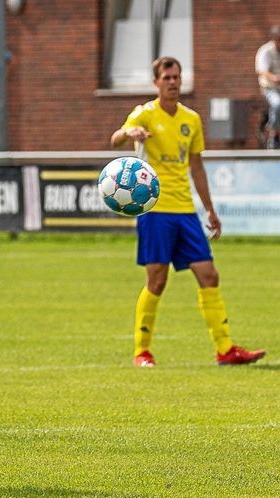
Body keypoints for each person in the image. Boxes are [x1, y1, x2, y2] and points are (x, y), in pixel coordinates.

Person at [111, 56, 265, 368]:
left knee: (209, 275)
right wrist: (130, 134)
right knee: (157, 280)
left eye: (176, 77)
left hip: (184, 210)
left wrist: (209, 209)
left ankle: (225, 349)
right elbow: (115, 139)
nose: (172, 82)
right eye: (166, 77)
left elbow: (196, 165)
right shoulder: (144, 114)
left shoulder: (191, 119)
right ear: (156, 82)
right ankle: (142, 351)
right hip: (155, 211)